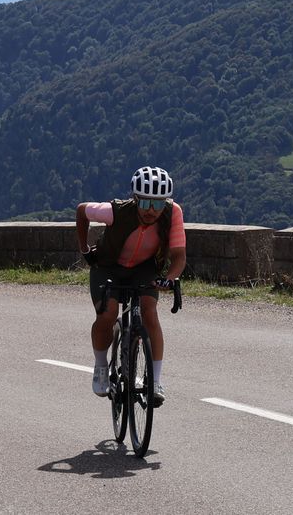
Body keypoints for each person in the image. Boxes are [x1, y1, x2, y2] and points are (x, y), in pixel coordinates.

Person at [76, 166, 187, 405]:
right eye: (145, 204)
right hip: (108, 266)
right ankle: (101, 366)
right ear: (135, 199)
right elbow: (82, 211)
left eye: (157, 204)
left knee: (150, 312)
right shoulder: (115, 211)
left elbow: (179, 256)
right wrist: (85, 250)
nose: (151, 211)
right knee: (108, 314)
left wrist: (170, 278)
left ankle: (155, 381)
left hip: (144, 268)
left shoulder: (173, 213)